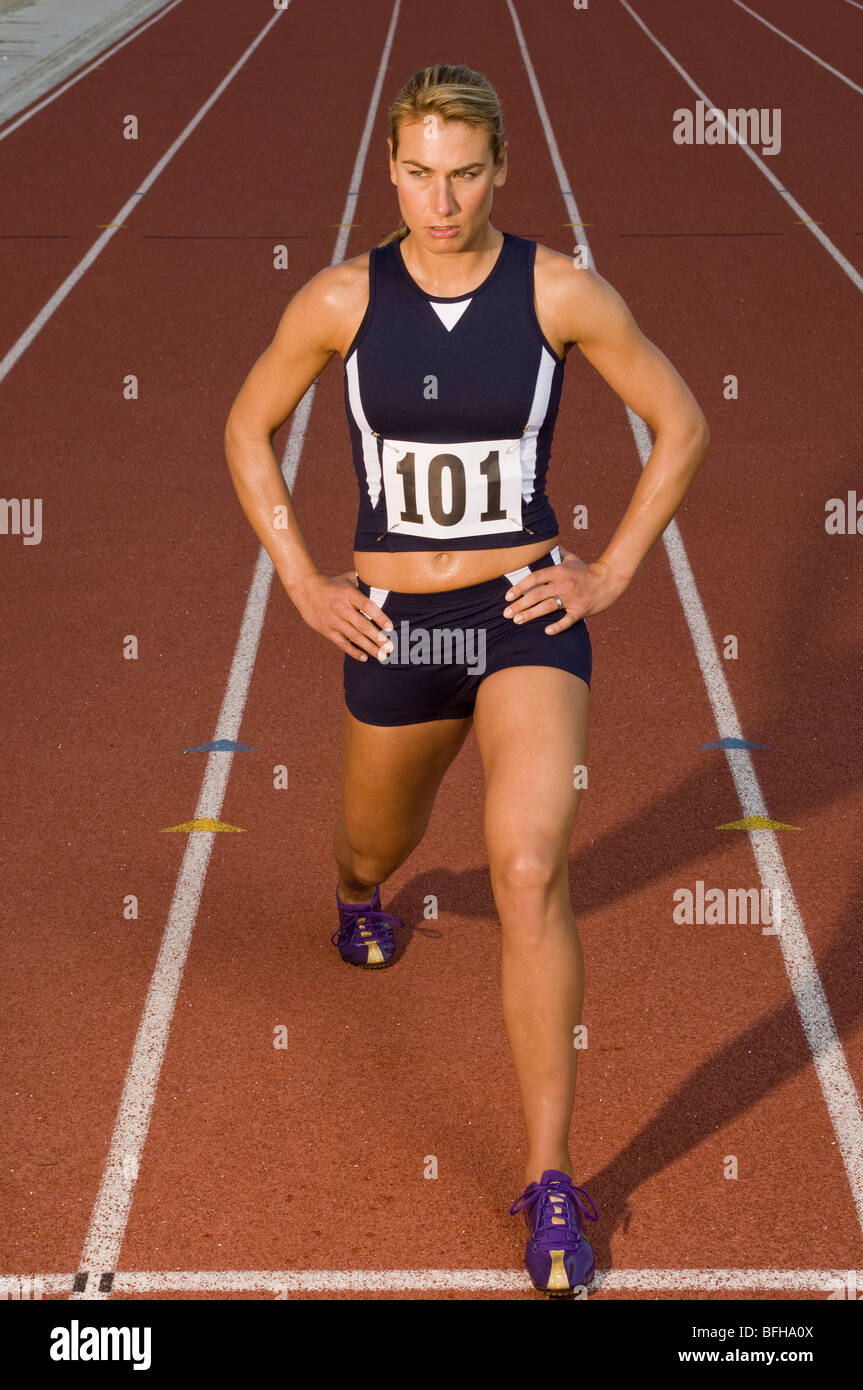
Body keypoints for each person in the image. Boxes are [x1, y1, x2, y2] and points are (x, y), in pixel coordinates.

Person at [224, 63, 709, 1298]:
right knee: (369, 844)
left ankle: (552, 1177)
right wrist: (300, 580)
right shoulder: (340, 298)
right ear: (390, 172)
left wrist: (605, 573)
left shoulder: (556, 290)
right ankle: (359, 891)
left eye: (465, 174)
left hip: (518, 614)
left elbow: (681, 419)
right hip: (395, 629)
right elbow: (244, 426)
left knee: (530, 862)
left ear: (500, 172)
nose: (441, 201)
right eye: (419, 174)